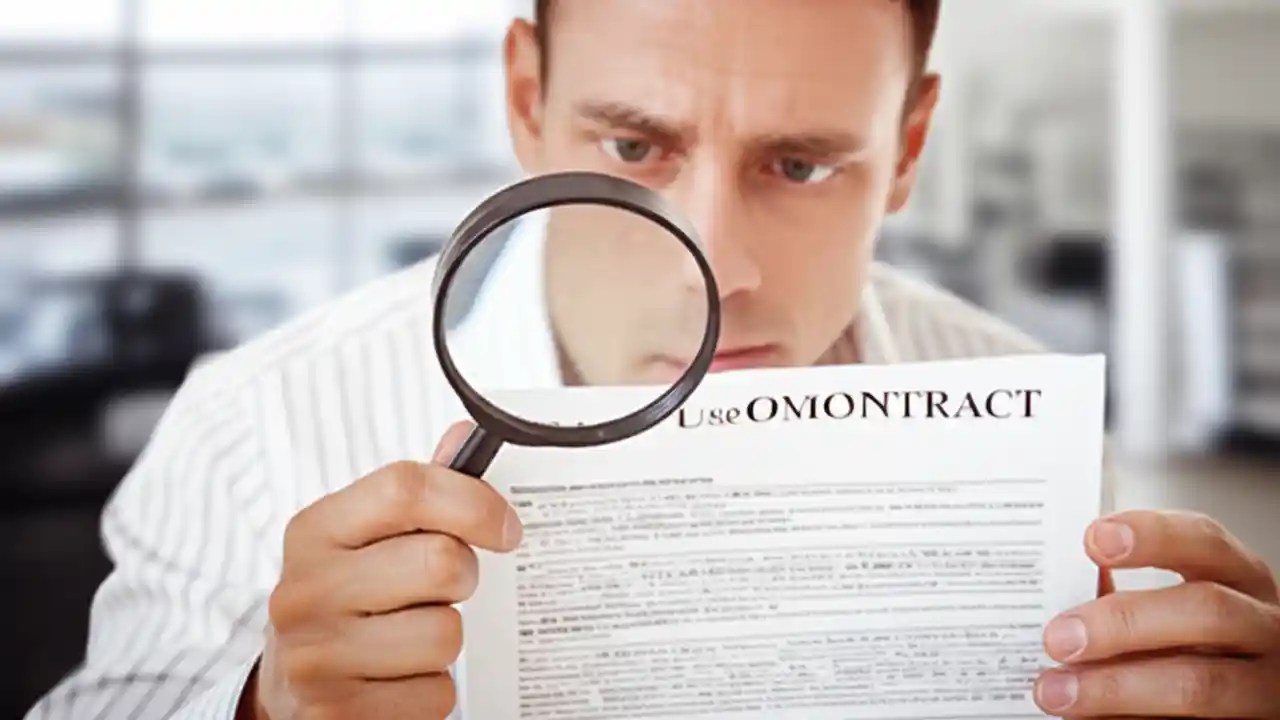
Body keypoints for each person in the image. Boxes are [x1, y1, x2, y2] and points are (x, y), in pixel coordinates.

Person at [26, 1, 1280, 718]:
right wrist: (256, 714)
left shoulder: (1045, 437)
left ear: (906, 148)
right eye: (632, 148)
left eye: (801, 164)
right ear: (526, 100)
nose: (715, 269)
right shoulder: (255, 429)